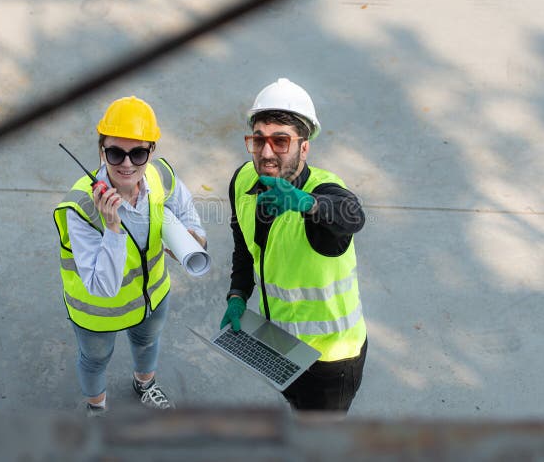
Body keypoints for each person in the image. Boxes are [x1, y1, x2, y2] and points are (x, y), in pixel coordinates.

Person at [220, 78, 367, 413]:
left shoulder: (325, 192)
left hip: (330, 361)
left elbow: (352, 216)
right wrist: (238, 293)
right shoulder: (243, 179)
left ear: (304, 146)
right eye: (258, 139)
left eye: (280, 141)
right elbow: (244, 245)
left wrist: (308, 204)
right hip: (280, 343)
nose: (266, 152)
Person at [54, 96, 206, 416]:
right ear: (101, 151)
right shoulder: (80, 206)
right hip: (96, 310)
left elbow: (189, 217)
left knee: (147, 345)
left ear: (151, 151)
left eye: (138, 153)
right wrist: (112, 227)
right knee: (95, 360)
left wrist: (192, 240)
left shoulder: (159, 176)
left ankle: (145, 385)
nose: (126, 164)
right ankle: (97, 410)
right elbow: (103, 286)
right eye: (115, 152)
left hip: (151, 297)